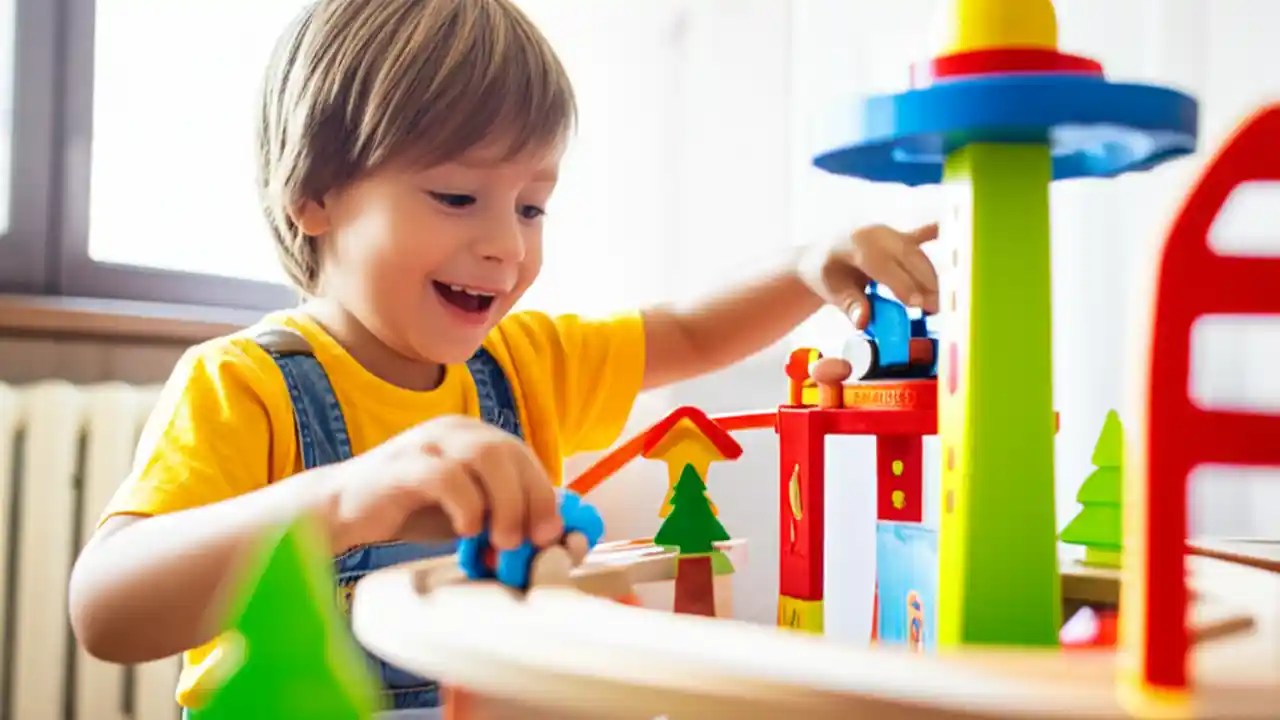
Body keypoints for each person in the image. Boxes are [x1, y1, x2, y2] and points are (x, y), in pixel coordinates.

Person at [67, 0, 940, 716]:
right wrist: (345, 499)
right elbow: (107, 610)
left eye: (531, 207)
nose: (505, 249)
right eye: (457, 196)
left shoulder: (524, 362)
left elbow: (689, 331)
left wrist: (801, 269)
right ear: (314, 195)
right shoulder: (246, 385)